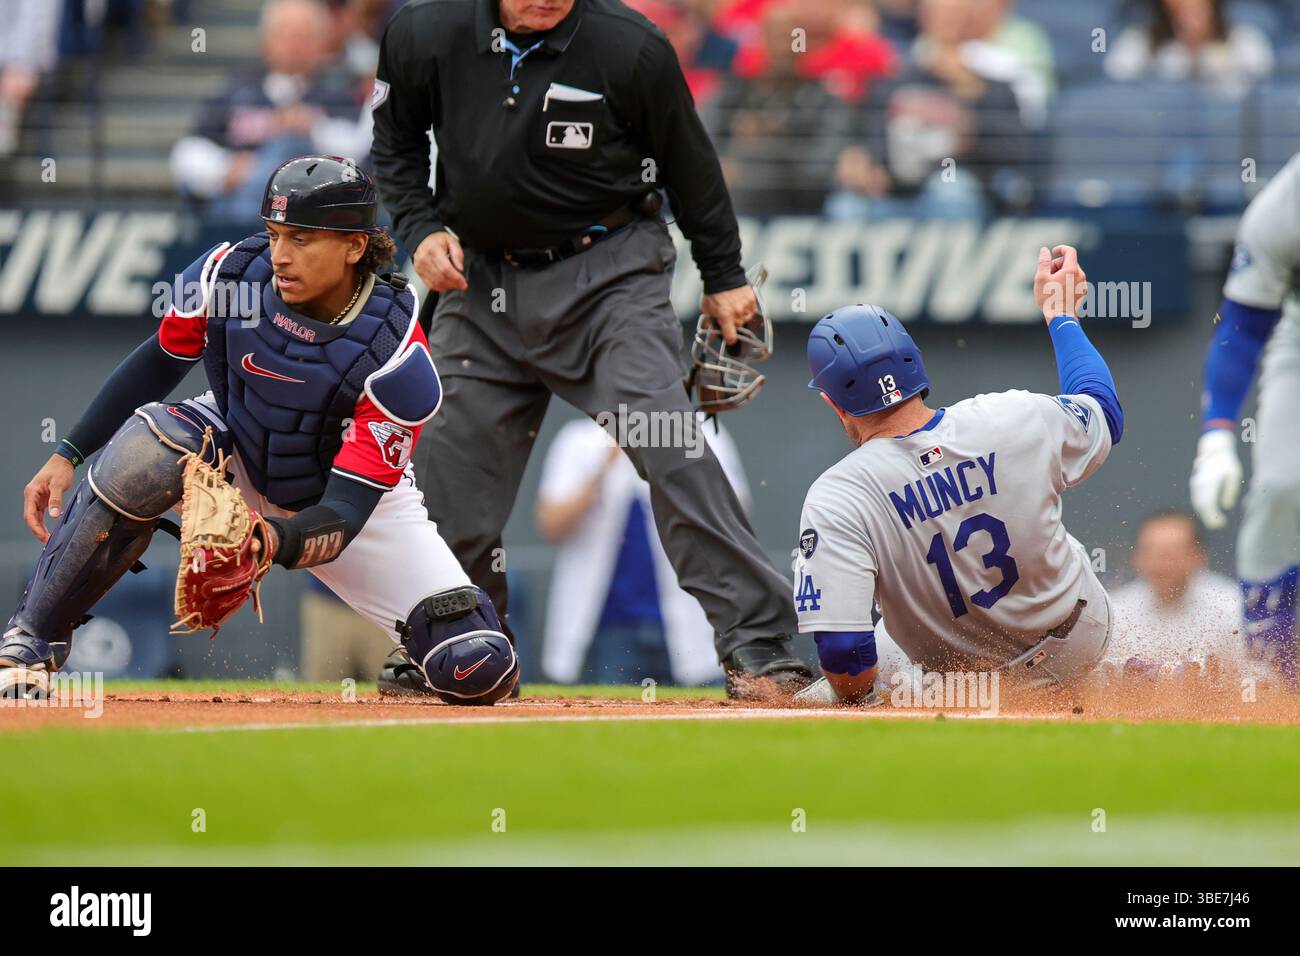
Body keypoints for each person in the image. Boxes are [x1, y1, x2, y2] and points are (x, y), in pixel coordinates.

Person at [369, 0, 812, 697]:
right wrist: (419, 226)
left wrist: (724, 276)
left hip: (610, 274)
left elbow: (689, 165)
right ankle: (459, 644)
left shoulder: (629, 47)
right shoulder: (425, 32)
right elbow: (393, 143)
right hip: (480, 280)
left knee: (669, 441)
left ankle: (758, 645)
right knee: (448, 478)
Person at [0, 156, 516, 705]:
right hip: (234, 447)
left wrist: (270, 539)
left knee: (477, 664)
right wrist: (68, 453)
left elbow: (346, 511)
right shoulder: (229, 275)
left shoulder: (395, 353)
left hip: (341, 494)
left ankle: (414, 664)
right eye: (273, 234)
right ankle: (29, 641)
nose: (280, 255)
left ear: (355, 246)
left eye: (301, 237)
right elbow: (159, 362)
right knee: (145, 452)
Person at [793, 246, 1123, 705]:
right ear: (916, 365)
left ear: (833, 402)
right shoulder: (1015, 415)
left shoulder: (840, 494)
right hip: (1080, 636)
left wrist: (857, 699)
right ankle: (1118, 673)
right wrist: (1061, 314)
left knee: (828, 693)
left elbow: (845, 651)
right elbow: (1103, 409)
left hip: (960, 684)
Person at [1190, 151, 1300, 685]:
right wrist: (1216, 440)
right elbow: (1242, 330)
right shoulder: (1284, 206)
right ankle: (1271, 669)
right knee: (1281, 487)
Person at [536, 415, 748, 685]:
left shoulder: (700, 430)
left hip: (693, 624)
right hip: (610, 629)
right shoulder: (580, 438)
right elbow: (551, 525)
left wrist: (678, 463)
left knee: (699, 720)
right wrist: (605, 465)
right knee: (611, 724)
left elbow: (735, 518)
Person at [170, 0, 365, 221]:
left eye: (304, 36)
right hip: (238, 209)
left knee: (289, 149)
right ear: (266, 41)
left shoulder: (338, 95)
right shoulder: (237, 93)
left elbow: (358, 155)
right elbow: (189, 149)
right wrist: (228, 169)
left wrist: (313, 128)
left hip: (310, 216)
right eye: (286, 35)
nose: (295, 45)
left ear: (321, 43)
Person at [1105, 511, 1243, 677]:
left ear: (1198, 556)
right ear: (1136, 558)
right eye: (1151, 552)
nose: (1161, 563)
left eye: (1171, 553)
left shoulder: (1233, 607)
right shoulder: (1113, 613)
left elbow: (1258, 679)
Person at [1104, 0, 1273, 100]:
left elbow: (1263, 88)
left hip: (1226, 139)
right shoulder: (1138, 40)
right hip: (1159, 140)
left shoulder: (1245, 40)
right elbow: (1118, 88)